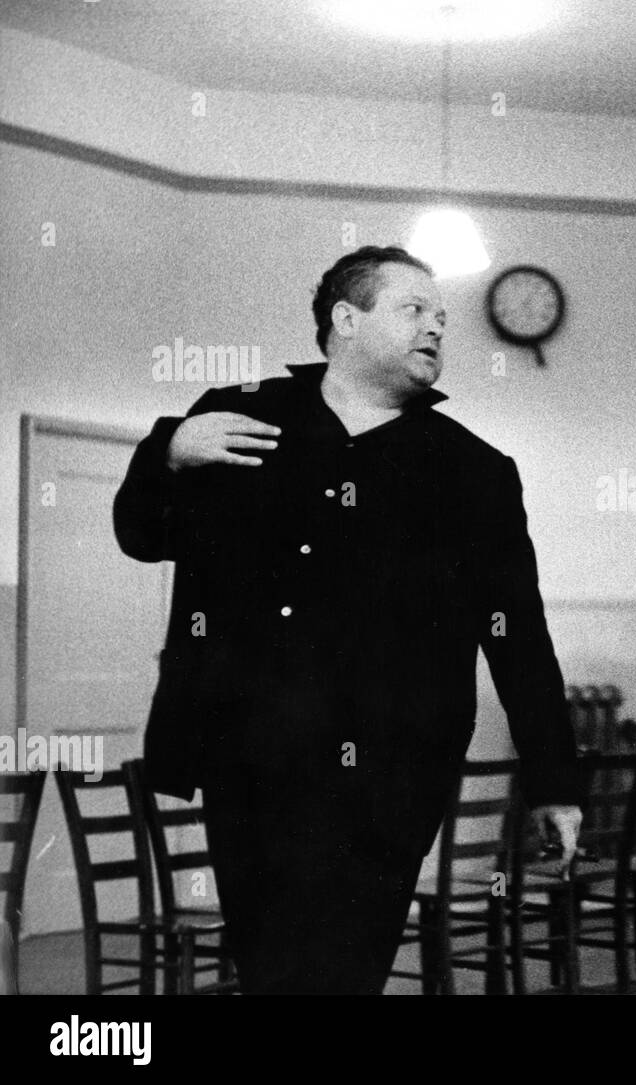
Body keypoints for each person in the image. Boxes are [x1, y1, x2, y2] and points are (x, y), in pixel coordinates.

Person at [113, 245, 583, 994]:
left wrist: (556, 781)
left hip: (390, 771)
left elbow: (516, 634)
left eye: (441, 316)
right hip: (247, 754)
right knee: (270, 969)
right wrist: (167, 452)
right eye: (414, 309)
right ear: (345, 319)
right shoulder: (237, 414)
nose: (436, 327)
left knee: (342, 971)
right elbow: (141, 537)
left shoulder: (473, 471)